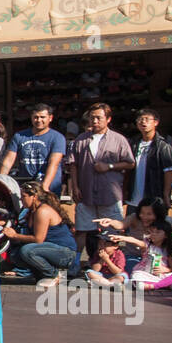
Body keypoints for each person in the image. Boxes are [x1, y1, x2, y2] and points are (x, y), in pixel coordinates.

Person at [67, 103, 135, 254]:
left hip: (109, 194)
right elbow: (73, 164)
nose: (95, 121)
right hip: (85, 193)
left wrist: (109, 166)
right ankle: (74, 265)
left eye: (99, 118)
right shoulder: (80, 139)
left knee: (111, 233)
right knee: (81, 230)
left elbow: (130, 163)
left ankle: (111, 266)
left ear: (108, 119)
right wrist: (75, 187)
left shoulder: (119, 139)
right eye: (92, 118)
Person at [1, 181, 80, 288]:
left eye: (24, 196)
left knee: (27, 250)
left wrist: (14, 235)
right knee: (16, 255)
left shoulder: (43, 211)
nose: (21, 200)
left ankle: (54, 275)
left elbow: (38, 239)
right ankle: (43, 275)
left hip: (65, 253)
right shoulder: (31, 212)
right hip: (48, 250)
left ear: (34, 197)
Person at [0, 104, 66, 195]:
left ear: (50, 118)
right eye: (36, 117)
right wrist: (2, 181)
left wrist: (45, 186)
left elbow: (54, 163)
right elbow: (8, 161)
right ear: (31, 117)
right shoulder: (19, 136)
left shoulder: (57, 138)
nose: (39, 120)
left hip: (48, 186)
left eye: (42, 117)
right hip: (26, 186)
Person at [129, 109, 172, 212]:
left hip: (154, 197)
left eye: (147, 119)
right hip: (134, 198)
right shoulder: (133, 144)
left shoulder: (163, 146)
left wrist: (166, 194)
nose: (143, 122)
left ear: (156, 122)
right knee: (132, 227)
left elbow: (169, 171)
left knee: (154, 227)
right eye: (140, 119)